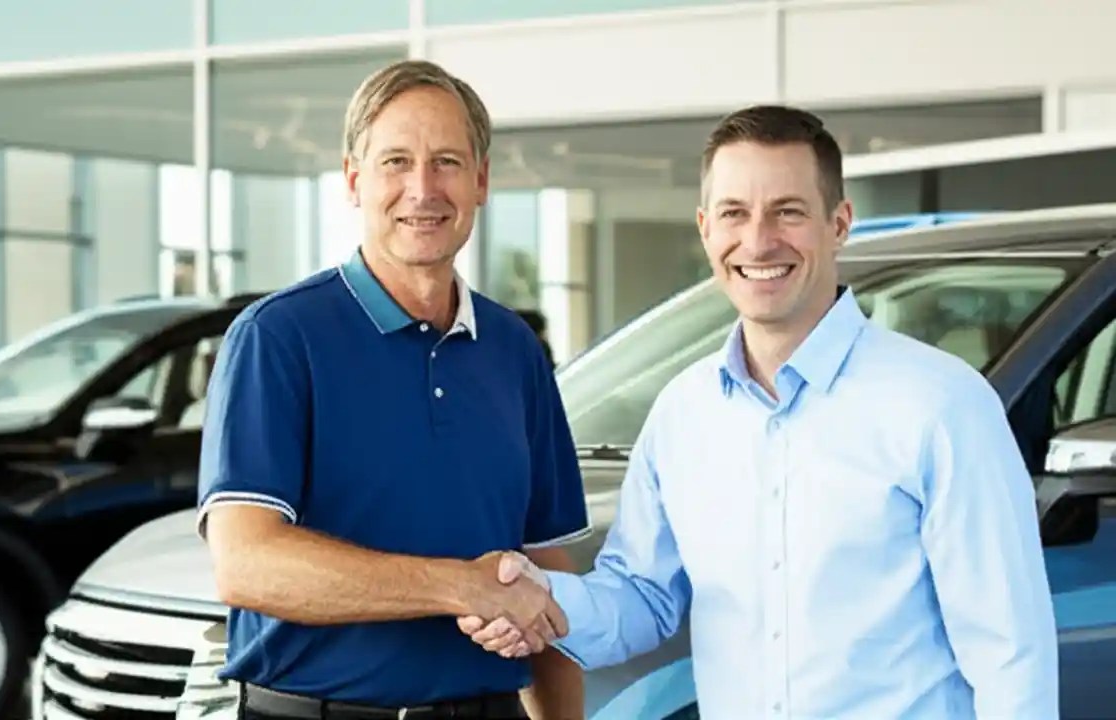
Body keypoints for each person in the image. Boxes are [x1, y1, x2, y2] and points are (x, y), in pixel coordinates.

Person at [459, 105, 1060, 718]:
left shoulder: (942, 406)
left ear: (841, 222)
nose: (759, 240)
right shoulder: (683, 415)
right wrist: (535, 594)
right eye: (734, 213)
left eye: (788, 212)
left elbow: (1010, 657)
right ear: (704, 228)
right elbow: (640, 601)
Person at [196, 59, 591, 720]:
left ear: (482, 181)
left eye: (446, 162)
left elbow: (544, 567)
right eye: (396, 162)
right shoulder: (278, 338)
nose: (423, 188)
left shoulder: (514, 349)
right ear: (354, 181)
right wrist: (461, 587)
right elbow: (246, 563)